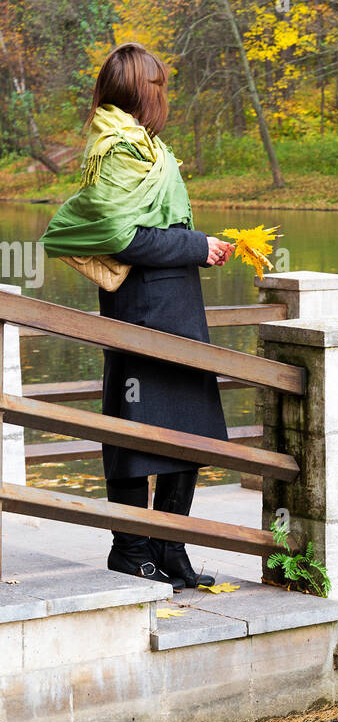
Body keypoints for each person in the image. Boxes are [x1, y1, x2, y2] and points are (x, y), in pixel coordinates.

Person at [41, 43, 234, 591]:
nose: (163, 97)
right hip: (141, 311)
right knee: (134, 431)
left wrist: (198, 248)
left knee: (189, 432)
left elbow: (153, 227)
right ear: (138, 92)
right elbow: (121, 237)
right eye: (158, 87)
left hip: (178, 305)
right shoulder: (118, 149)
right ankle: (130, 548)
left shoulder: (147, 147)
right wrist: (199, 246)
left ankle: (170, 548)